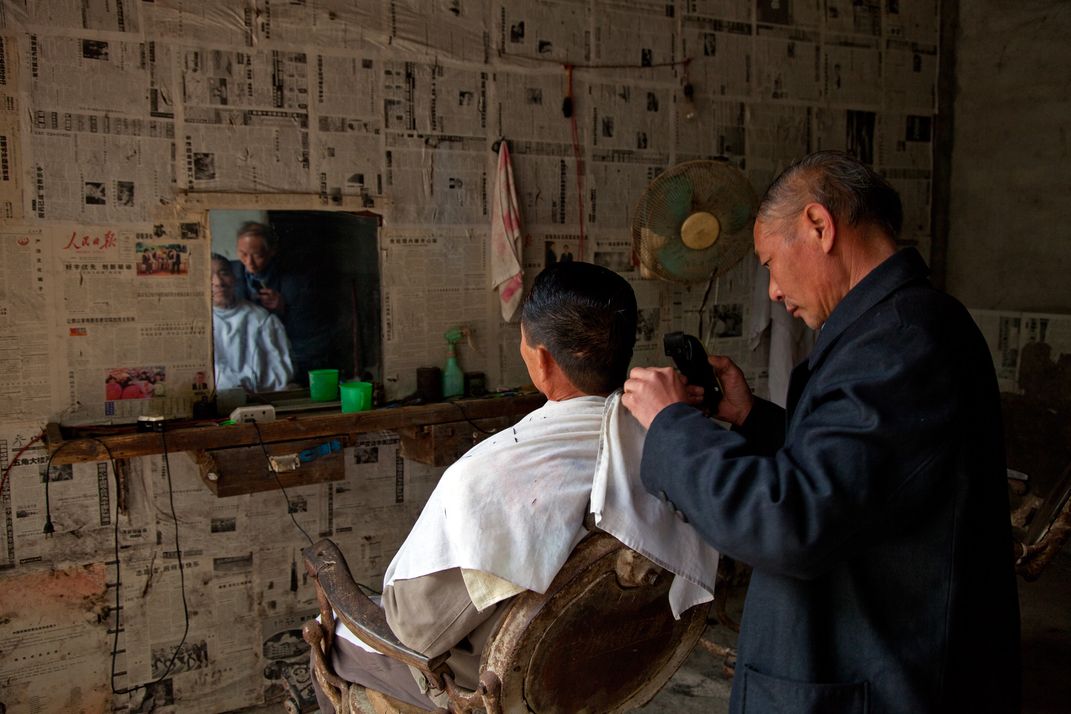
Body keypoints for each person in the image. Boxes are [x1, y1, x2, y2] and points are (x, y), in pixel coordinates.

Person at [622, 151, 1021, 713]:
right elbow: (859, 473)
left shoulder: (902, 343)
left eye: (769, 263)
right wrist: (751, 418)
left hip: (879, 680)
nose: (773, 291)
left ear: (818, 225)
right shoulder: (889, 329)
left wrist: (671, 426)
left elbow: (790, 521)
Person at [312, 261, 716, 712]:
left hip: (502, 683)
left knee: (330, 643)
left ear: (541, 359)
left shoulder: (490, 478)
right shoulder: (676, 442)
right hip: (615, 667)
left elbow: (418, 630)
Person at [229, 221, 330, 382]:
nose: (249, 262)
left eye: (257, 255)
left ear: (271, 251)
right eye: (243, 254)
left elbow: (310, 335)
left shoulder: (294, 281)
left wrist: (285, 308)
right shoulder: (228, 273)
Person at [211, 254, 295, 393]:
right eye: (209, 276)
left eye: (224, 273)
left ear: (234, 278)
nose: (218, 282)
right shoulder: (194, 324)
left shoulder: (260, 318)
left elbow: (280, 375)